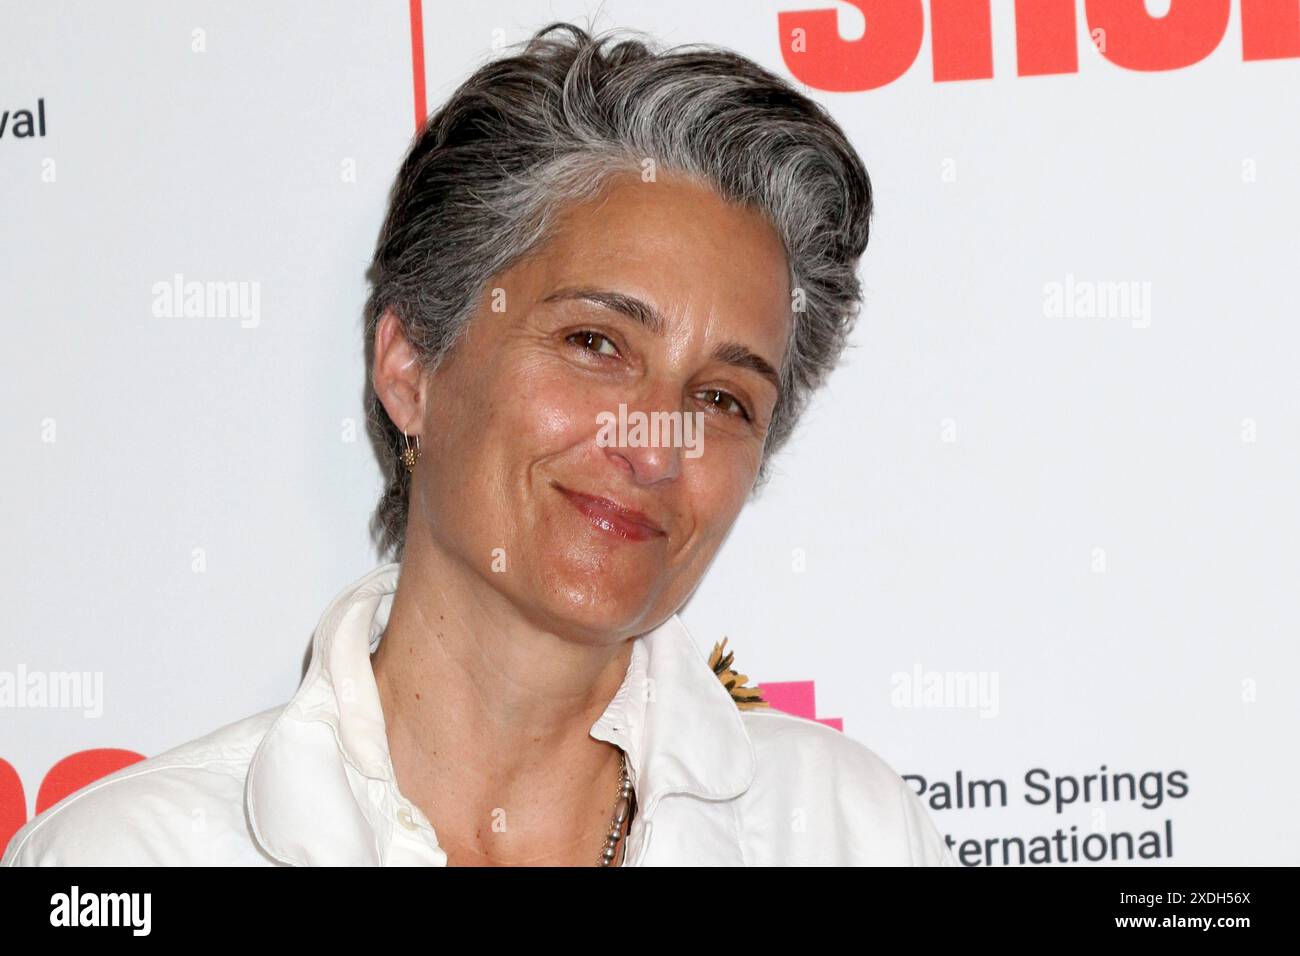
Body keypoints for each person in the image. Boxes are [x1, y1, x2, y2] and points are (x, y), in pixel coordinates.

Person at [2, 21, 956, 867]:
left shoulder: (848, 834)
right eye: (596, 344)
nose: (656, 446)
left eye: (721, 397)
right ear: (411, 365)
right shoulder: (126, 861)